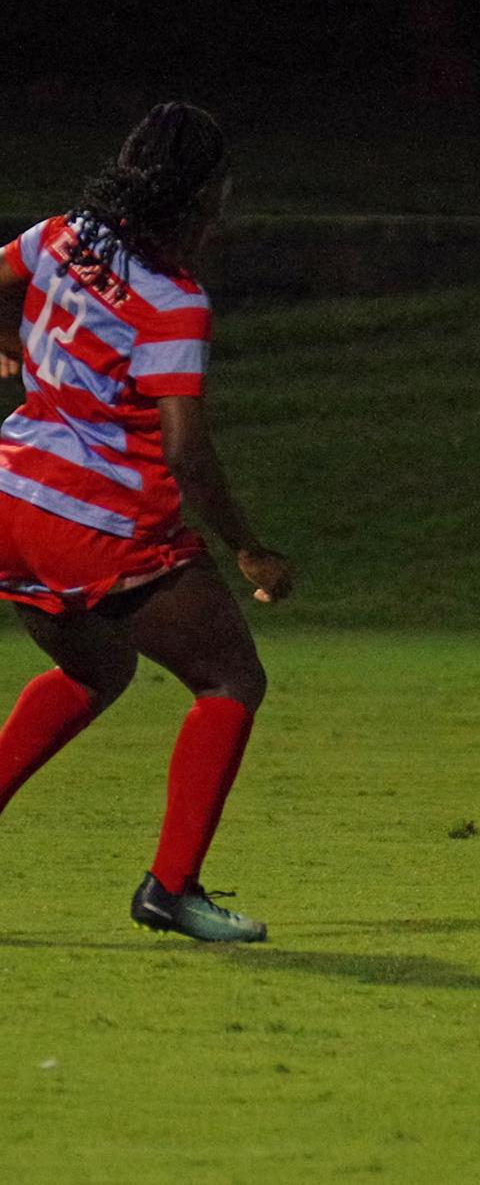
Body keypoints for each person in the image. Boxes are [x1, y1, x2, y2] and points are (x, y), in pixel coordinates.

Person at [0, 102, 290, 944]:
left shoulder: (58, 238)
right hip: (101, 523)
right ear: (199, 199)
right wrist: (248, 546)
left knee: (96, 670)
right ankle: (171, 888)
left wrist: (11, 342)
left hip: (15, 503)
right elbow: (186, 450)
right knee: (231, 679)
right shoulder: (172, 300)